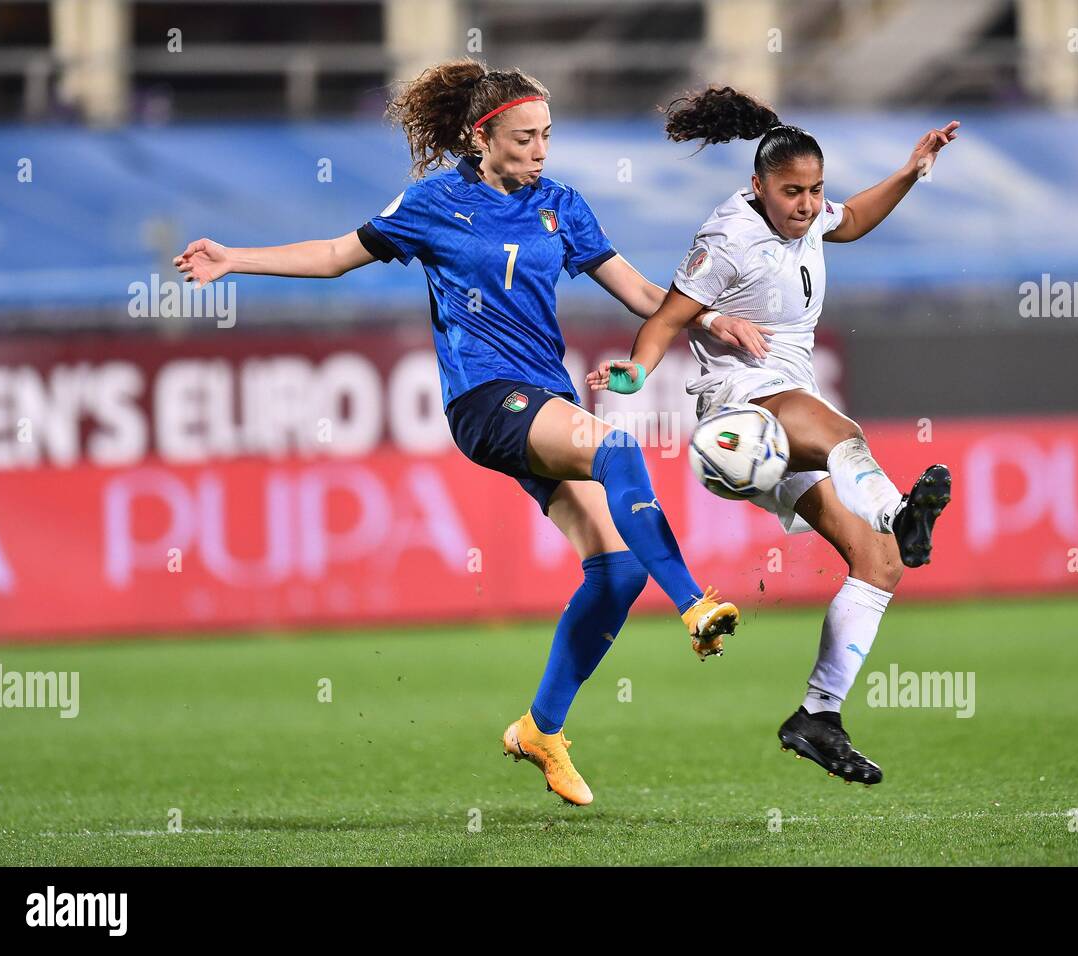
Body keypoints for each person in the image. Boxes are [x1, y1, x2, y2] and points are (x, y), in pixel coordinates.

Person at [174, 62, 760, 807]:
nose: (540, 150)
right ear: (483, 137)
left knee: (614, 572)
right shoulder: (435, 204)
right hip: (484, 402)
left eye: (547, 135)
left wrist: (709, 317)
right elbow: (333, 255)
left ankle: (540, 729)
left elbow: (646, 295)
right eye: (523, 138)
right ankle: (693, 605)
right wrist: (234, 260)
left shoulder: (561, 207)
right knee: (615, 448)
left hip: (538, 399)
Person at [588, 85, 959, 784]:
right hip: (739, 410)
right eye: (793, 192)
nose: (808, 205)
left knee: (878, 564)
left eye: (815, 190)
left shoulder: (812, 217)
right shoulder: (727, 236)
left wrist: (911, 172)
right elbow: (667, 317)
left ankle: (818, 715)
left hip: (790, 406)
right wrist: (636, 375)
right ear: (757, 185)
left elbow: (849, 223)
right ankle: (898, 511)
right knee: (840, 431)